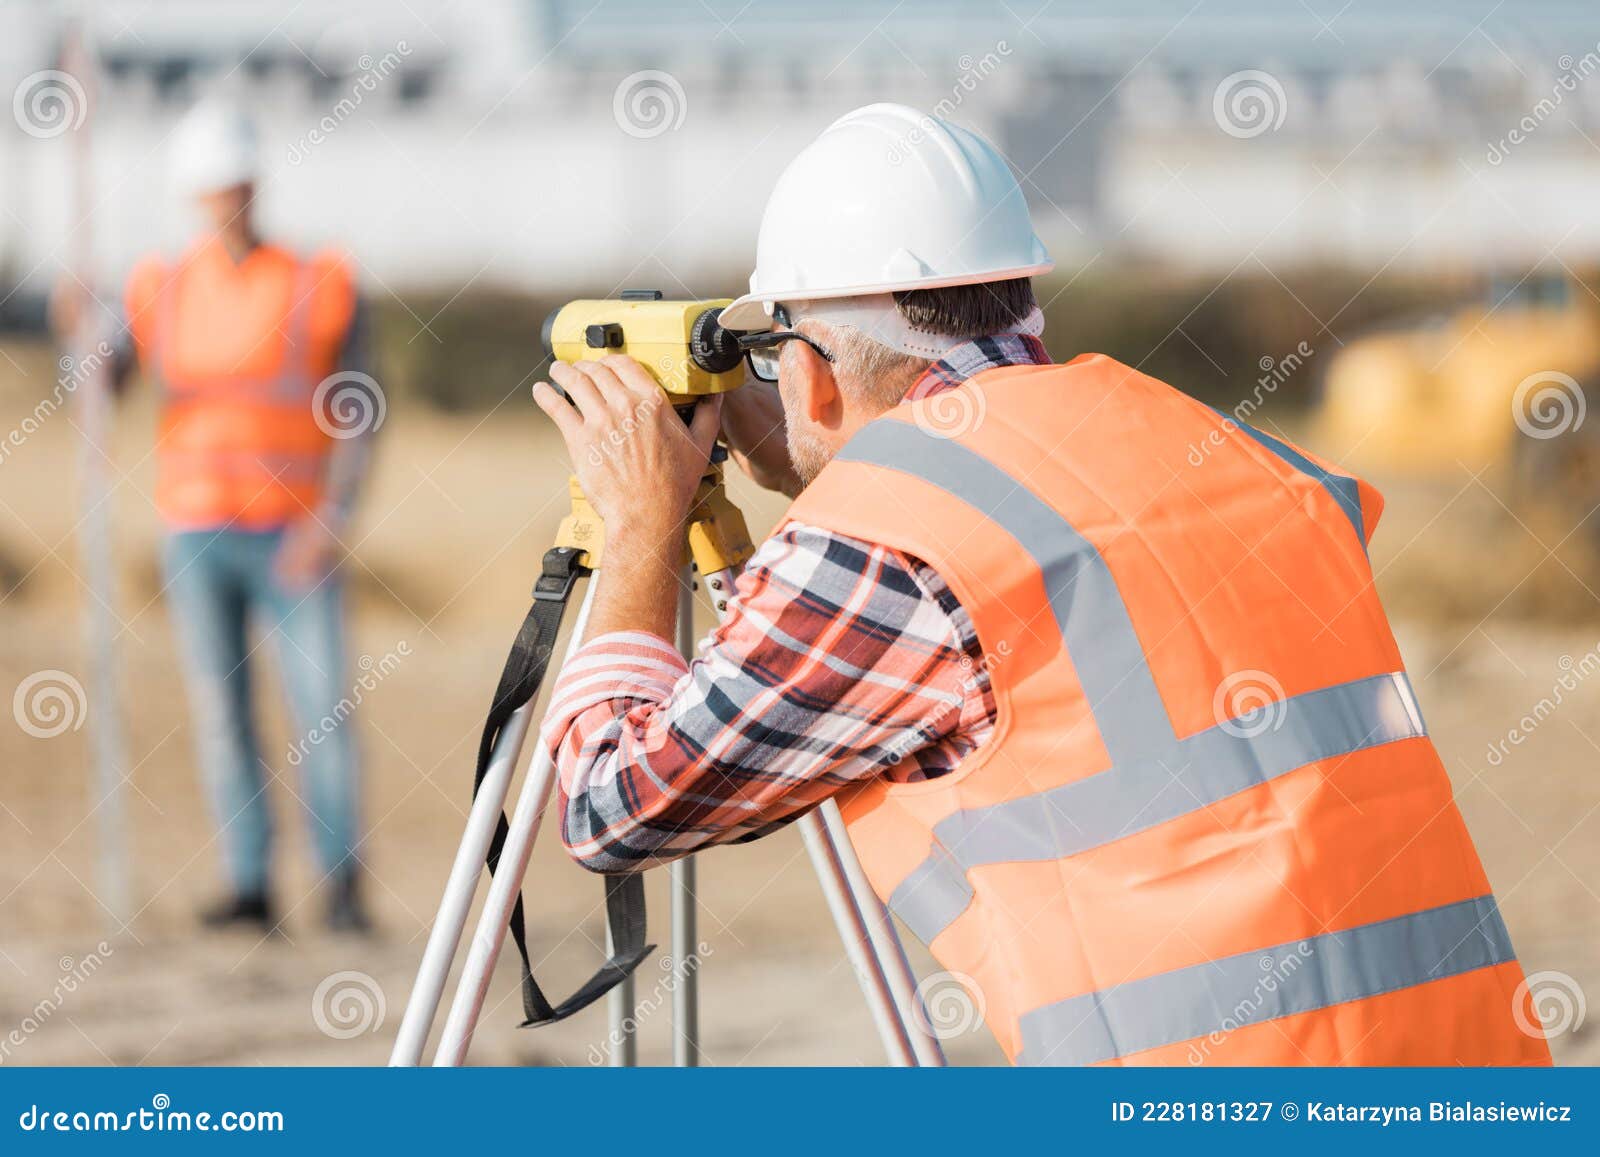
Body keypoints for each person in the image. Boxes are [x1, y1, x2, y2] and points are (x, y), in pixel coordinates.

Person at [531, 103, 1549, 1065]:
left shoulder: (887, 543)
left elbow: (616, 806)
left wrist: (640, 529)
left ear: (813, 366)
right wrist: (840, 472)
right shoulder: (1227, 452)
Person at [52, 99, 376, 934]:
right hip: (196, 532)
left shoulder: (317, 280)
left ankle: (340, 891)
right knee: (222, 715)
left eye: (234, 184)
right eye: (210, 187)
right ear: (194, 194)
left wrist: (333, 516)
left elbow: (362, 409)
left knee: (324, 713)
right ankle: (249, 886)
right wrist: (75, 336)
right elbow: (97, 388)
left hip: (296, 533)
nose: (224, 200)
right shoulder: (158, 284)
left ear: (253, 184)